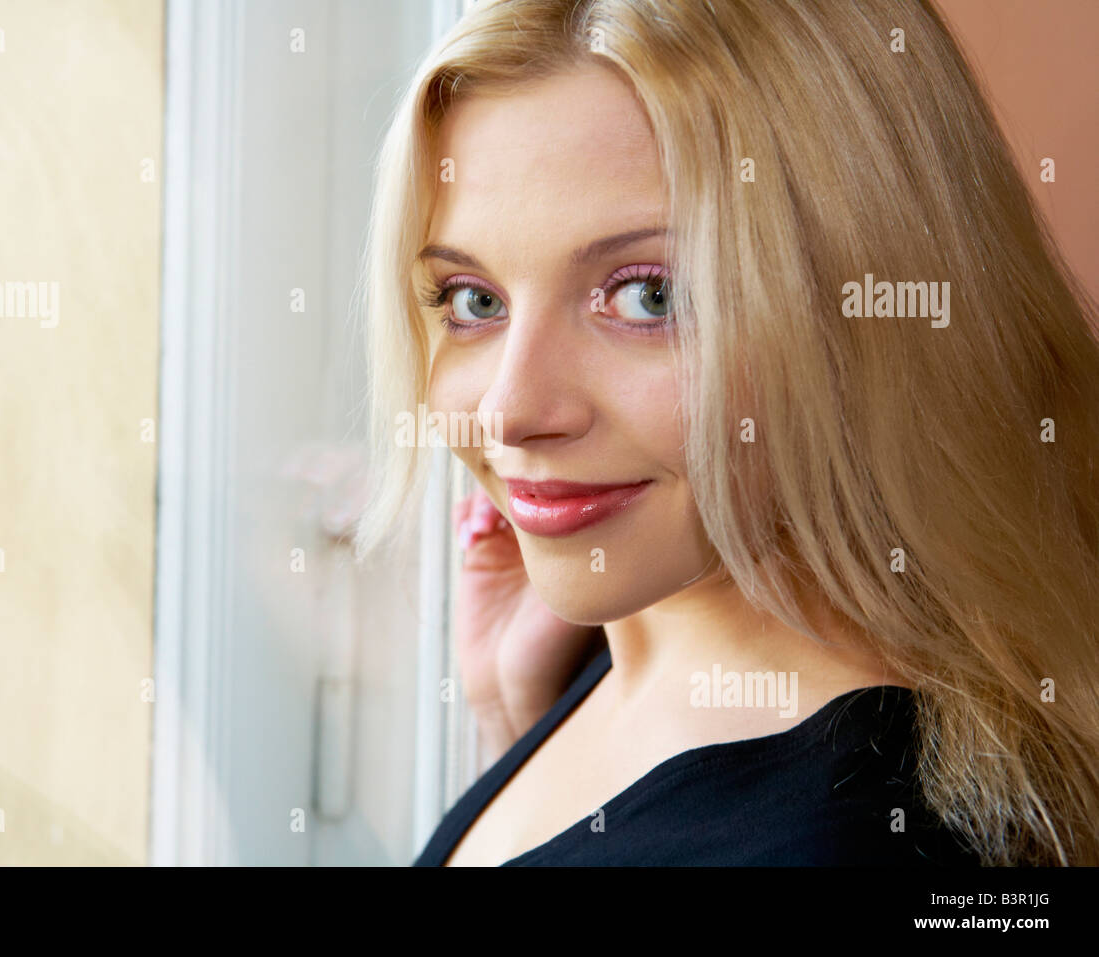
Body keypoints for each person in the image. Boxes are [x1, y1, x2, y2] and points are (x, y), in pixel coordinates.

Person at [354, 0, 1099, 866]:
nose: (510, 411)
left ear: (867, 312)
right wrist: (515, 722)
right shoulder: (652, 632)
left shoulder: (850, 840)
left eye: (649, 296)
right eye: (473, 300)